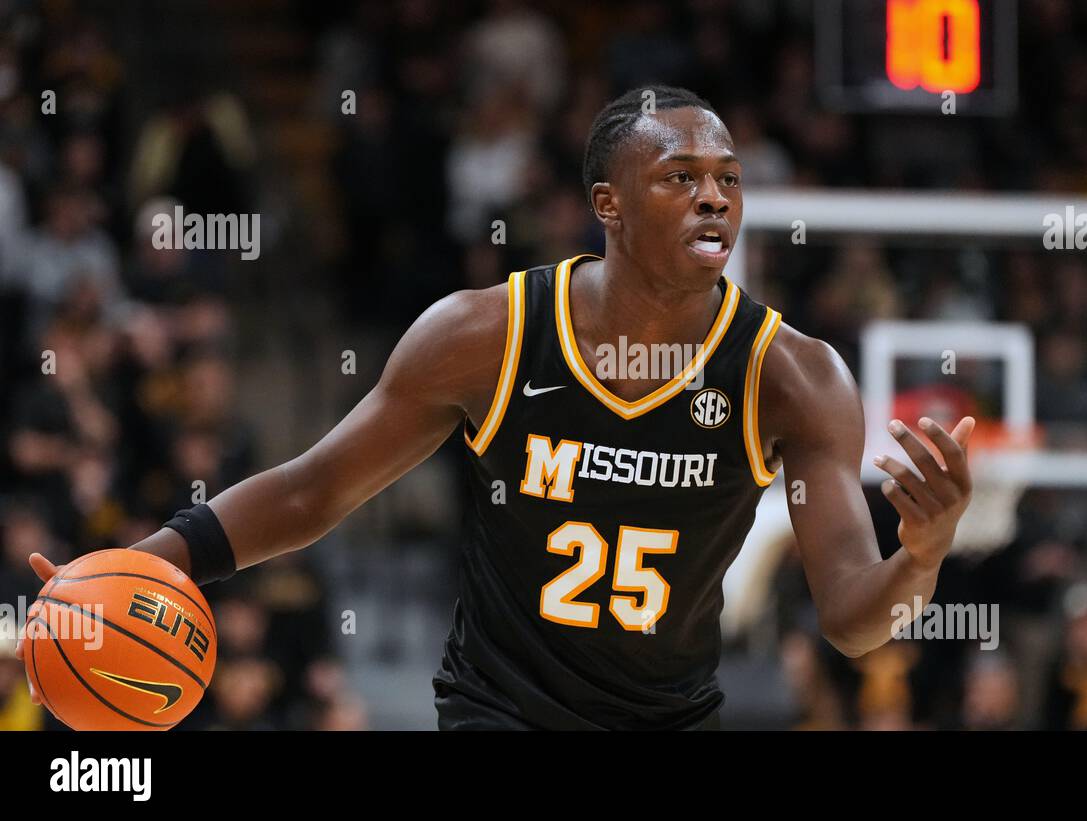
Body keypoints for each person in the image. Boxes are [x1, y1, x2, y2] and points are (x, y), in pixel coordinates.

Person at [18, 86, 975, 730]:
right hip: (498, 707)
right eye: (679, 178)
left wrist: (921, 556)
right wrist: (144, 558)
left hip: (670, 713)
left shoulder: (793, 376)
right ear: (608, 201)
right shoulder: (489, 334)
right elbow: (315, 491)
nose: (714, 199)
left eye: (728, 180)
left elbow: (853, 618)